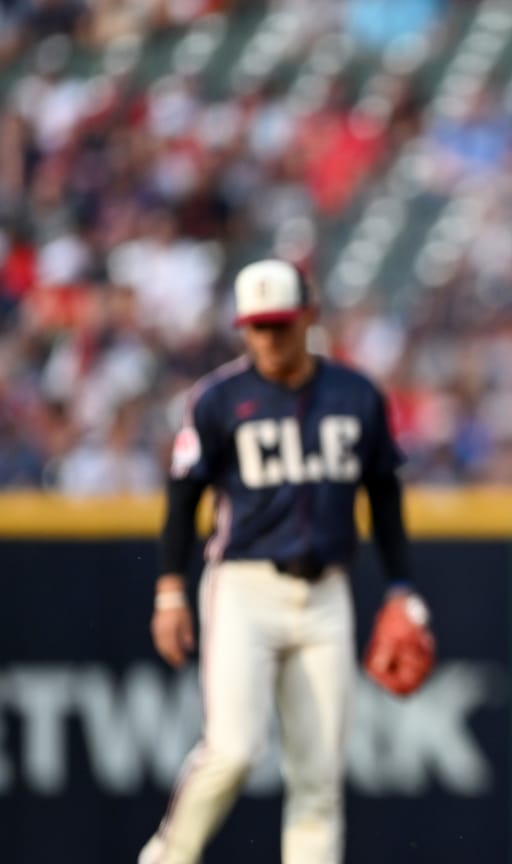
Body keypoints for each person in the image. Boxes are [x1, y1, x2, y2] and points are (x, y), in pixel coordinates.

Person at [139, 259, 428, 864]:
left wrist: (402, 586)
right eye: (257, 326)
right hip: (245, 587)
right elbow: (183, 496)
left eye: (280, 324)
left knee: (318, 777)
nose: (269, 338)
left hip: (327, 593)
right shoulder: (219, 399)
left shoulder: (356, 394)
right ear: (242, 328)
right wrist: (169, 589)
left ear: (307, 318)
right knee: (233, 750)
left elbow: (385, 492)